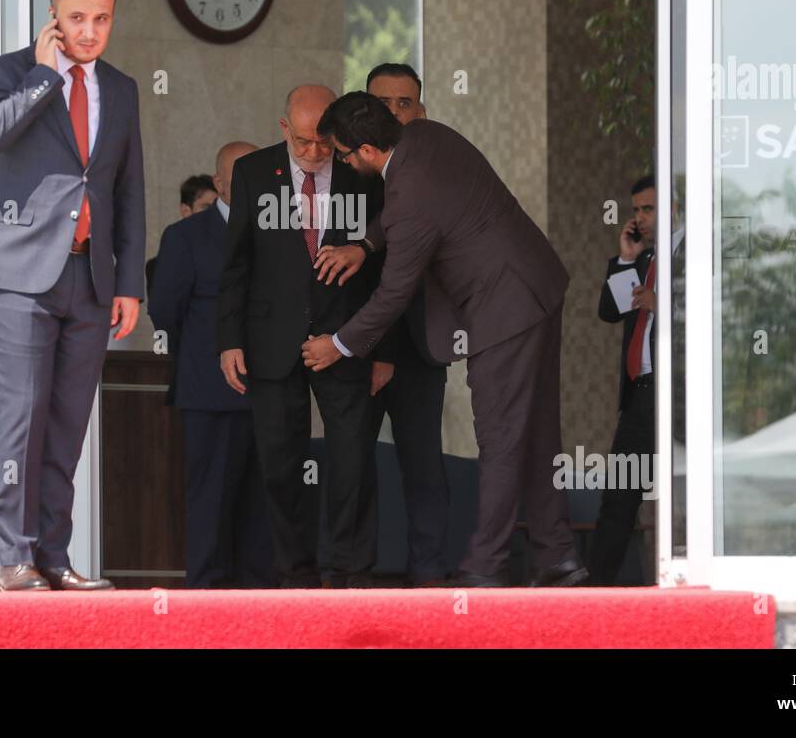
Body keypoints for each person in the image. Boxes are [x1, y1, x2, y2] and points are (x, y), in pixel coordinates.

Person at [302, 93, 586, 588]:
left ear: (367, 150)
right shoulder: (426, 136)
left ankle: (484, 566)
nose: (342, 162)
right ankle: (558, 554)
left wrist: (340, 344)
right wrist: (365, 245)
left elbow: (393, 295)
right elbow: (405, 213)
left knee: (499, 436)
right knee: (538, 431)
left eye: (344, 155)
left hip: (504, 307)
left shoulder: (410, 197)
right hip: (537, 283)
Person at [0, 0, 144, 592]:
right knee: (23, 412)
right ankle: (14, 557)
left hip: (89, 278)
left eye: (101, 19)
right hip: (16, 274)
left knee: (67, 422)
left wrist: (129, 284)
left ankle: (55, 559)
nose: (89, 33)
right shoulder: (9, 73)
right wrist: (44, 79)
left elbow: (128, 190)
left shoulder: (120, 89)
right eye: (76, 19)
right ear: (53, 18)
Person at [217, 85, 389, 589]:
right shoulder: (253, 173)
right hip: (271, 340)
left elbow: (387, 270)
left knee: (353, 460)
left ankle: (351, 571)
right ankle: (295, 574)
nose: (315, 154)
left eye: (324, 142)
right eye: (303, 143)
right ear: (283, 130)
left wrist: (384, 350)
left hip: (348, 340)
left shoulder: (362, 176)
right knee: (280, 465)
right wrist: (230, 340)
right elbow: (236, 265)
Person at [149, 142, 273, 589]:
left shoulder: (283, 229)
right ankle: (206, 601)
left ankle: (259, 602)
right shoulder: (185, 236)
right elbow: (165, 310)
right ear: (218, 183)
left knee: (265, 506)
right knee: (211, 504)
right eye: (238, 175)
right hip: (210, 393)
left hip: (273, 394)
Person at [355, 64, 450, 587]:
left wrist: (388, 351)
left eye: (404, 103)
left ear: (422, 113)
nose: (393, 113)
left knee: (424, 469)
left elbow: (418, 270)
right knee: (351, 469)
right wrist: (372, 349)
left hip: (420, 347)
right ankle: (353, 580)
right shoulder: (348, 175)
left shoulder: (439, 175)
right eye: (381, 104)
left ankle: (430, 583)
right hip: (355, 350)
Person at [588, 174, 682, 585]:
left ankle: (686, 581)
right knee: (620, 497)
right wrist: (625, 259)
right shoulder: (643, 258)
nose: (640, 218)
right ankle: (596, 590)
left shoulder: (696, 254)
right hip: (641, 396)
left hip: (678, 394)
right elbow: (611, 311)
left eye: (649, 208)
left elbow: (717, 317)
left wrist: (662, 304)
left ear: (674, 209)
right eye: (637, 211)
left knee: (683, 492)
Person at [146, 175, 218, 297]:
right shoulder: (160, 265)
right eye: (205, 207)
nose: (213, 213)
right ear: (186, 211)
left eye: (217, 207)